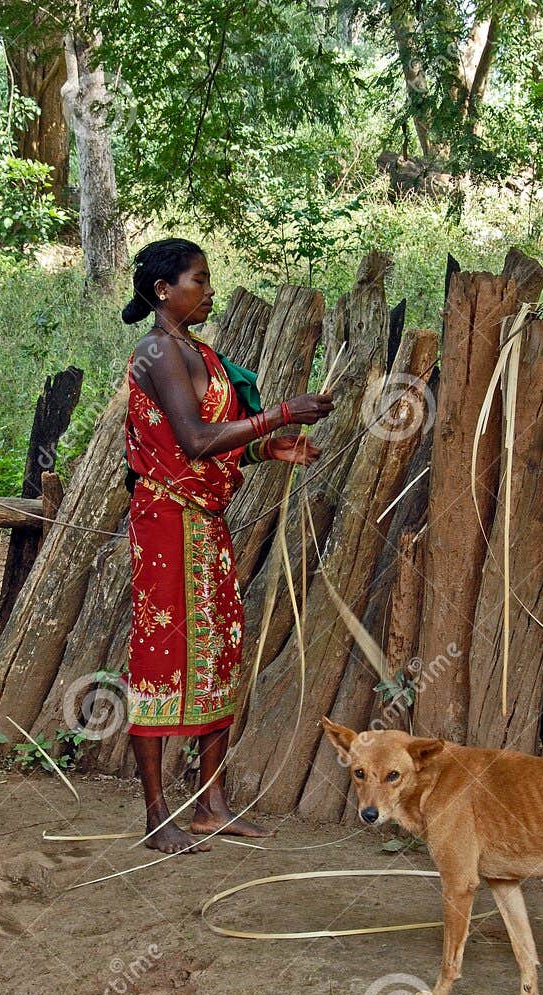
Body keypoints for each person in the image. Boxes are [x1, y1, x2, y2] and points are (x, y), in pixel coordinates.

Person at [119, 238, 335, 853]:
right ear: (164, 289)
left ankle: (210, 804)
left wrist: (270, 448)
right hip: (166, 518)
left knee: (218, 648)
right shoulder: (157, 350)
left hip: (205, 519)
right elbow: (191, 439)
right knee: (162, 653)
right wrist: (280, 415)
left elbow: (220, 439)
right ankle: (158, 813)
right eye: (200, 280)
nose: (209, 291)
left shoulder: (199, 352)